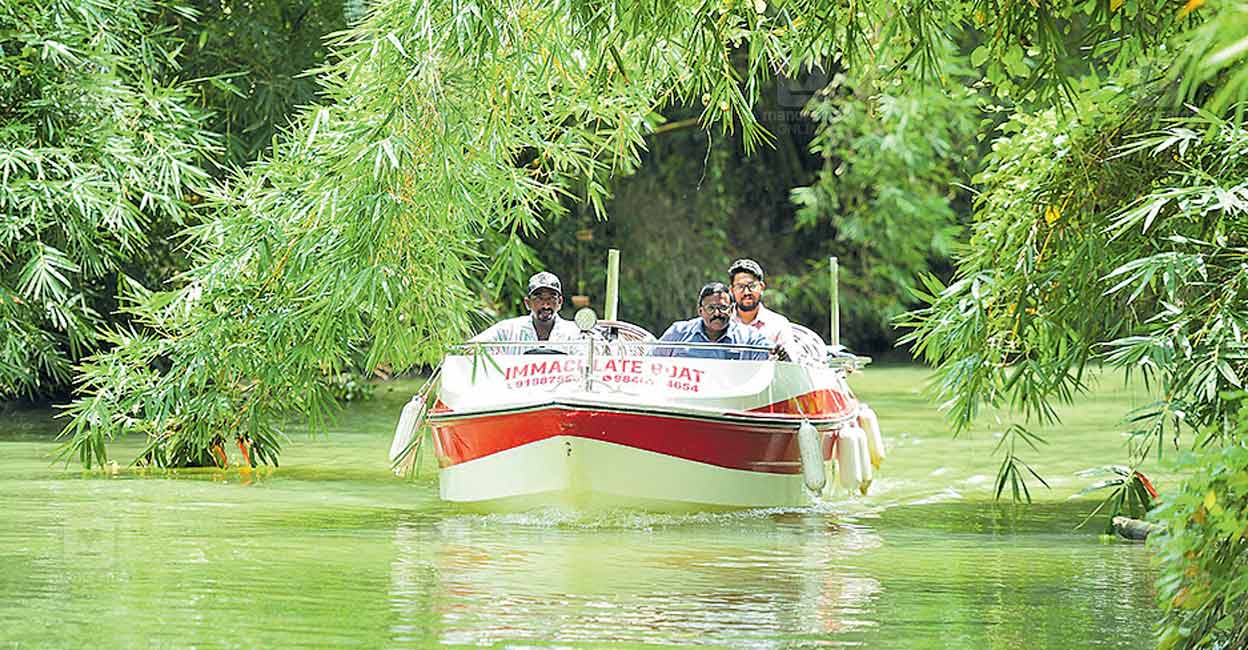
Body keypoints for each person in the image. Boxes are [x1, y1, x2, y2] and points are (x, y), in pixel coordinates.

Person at [652, 282, 771, 360]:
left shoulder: (748, 338)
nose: (717, 313)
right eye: (711, 308)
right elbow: (651, 361)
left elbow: (772, 356)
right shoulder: (678, 333)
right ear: (700, 311)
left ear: (731, 310)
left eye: (723, 308)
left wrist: (778, 354)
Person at [471, 271, 581, 353]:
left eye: (551, 298)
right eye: (539, 298)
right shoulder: (508, 330)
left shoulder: (574, 333)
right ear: (527, 303)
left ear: (560, 302)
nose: (546, 304)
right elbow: (470, 348)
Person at [727, 258, 796, 361]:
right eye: (740, 287)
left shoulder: (778, 324)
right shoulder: (722, 322)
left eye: (752, 286)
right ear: (731, 290)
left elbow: (791, 365)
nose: (746, 292)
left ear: (762, 287)